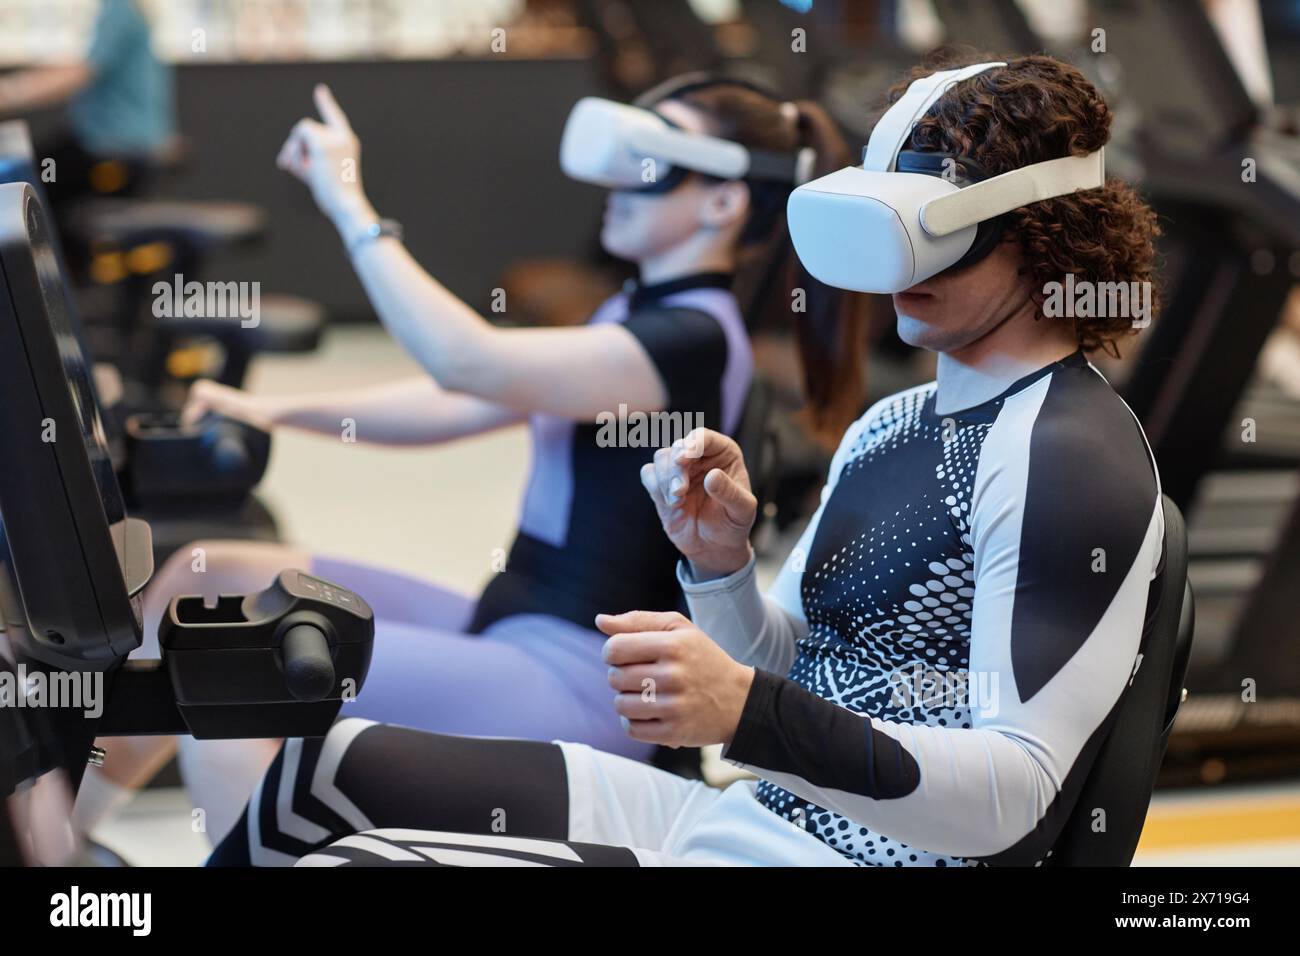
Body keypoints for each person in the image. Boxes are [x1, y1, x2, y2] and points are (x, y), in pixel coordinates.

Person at [208, 51, 1167, 868]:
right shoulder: (897, 423)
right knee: (329, 768)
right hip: (746, 822)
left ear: (1047, 234)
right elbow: (783, 663)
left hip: (828, 857)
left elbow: (1018, 799)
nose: (905, 272)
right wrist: (720, 569)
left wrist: (748, 713)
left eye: (941, 237)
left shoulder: (1068, 459)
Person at [75, 75, 861, 843]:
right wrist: (276, 409)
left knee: (238, 662)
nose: (618, 185)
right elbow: (463, 401)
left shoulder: (693, 337)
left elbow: (469, 362)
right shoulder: (635, 313)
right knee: (205, 576)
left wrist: (348, 202)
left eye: (650, 166)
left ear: (724, 202)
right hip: (512, 620)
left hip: (582, 682)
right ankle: (62, 841)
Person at [0, 0, 176, 206]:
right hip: (119, 143)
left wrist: (11, 92)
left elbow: (82, 72)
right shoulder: (127, 9)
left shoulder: (120, 9)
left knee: (25, 179)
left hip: (113, 146)